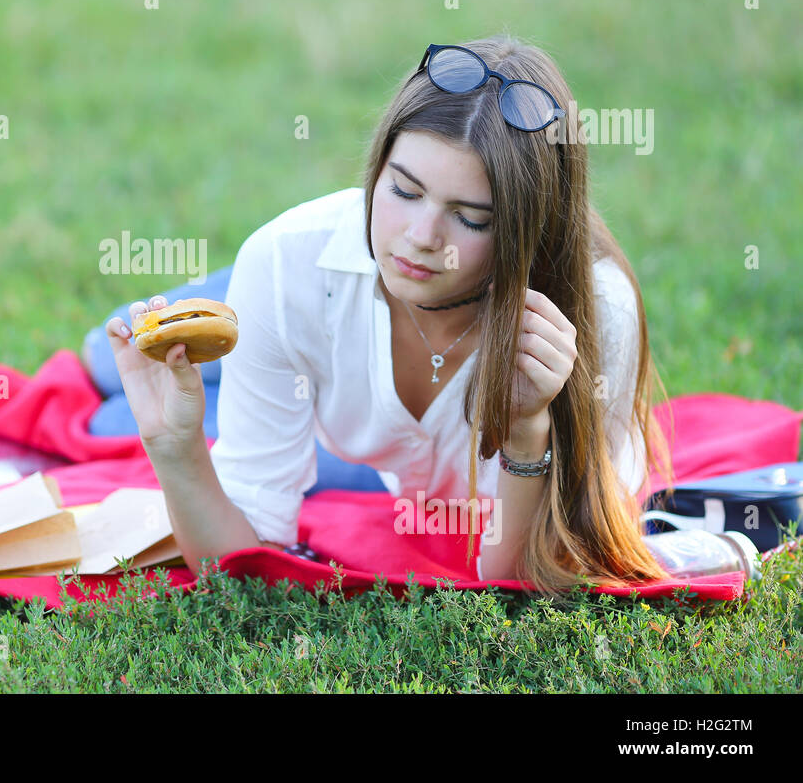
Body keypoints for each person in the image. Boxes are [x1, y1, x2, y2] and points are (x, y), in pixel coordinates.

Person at [102, 35, 676, 593]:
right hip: (322, 295)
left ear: (527, 231)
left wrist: (528, 429)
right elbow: (236, 565)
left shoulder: (597, 311)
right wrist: (172, 447)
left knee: (110, 424)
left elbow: (514, 584)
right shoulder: (284, 261)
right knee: (104, 361)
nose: (421, 238)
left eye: (471, 219)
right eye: (404, 190)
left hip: (361, 457)